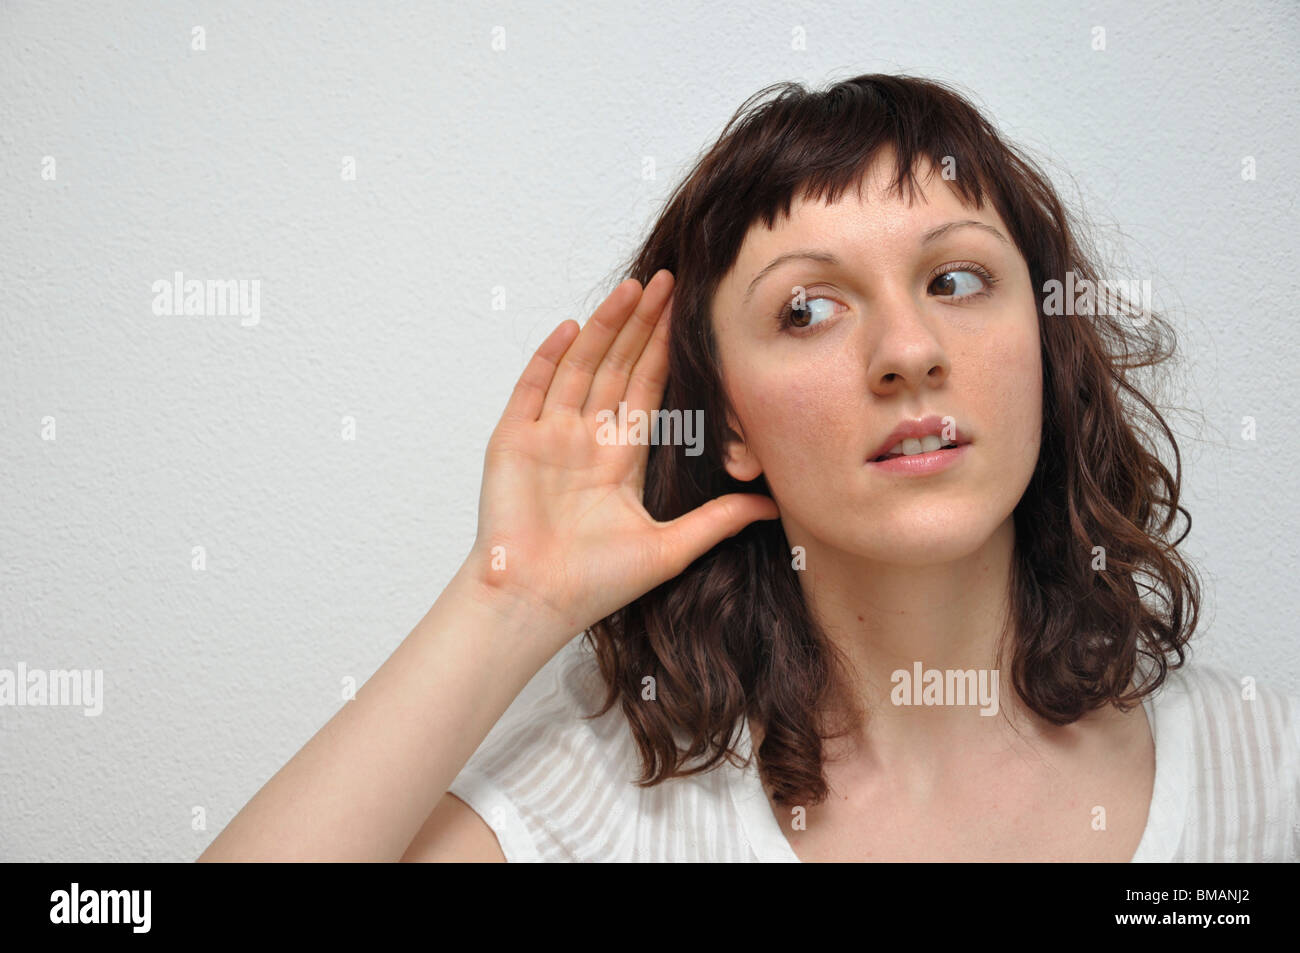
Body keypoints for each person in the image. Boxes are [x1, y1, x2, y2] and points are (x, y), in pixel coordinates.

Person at [198, 73, 1299, 863]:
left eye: (956, 280)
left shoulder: (1262, 764)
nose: (908, 351)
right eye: (807, 308)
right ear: (727, 423)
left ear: (1044, 347)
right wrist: (506, 598)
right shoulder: (613, 810)